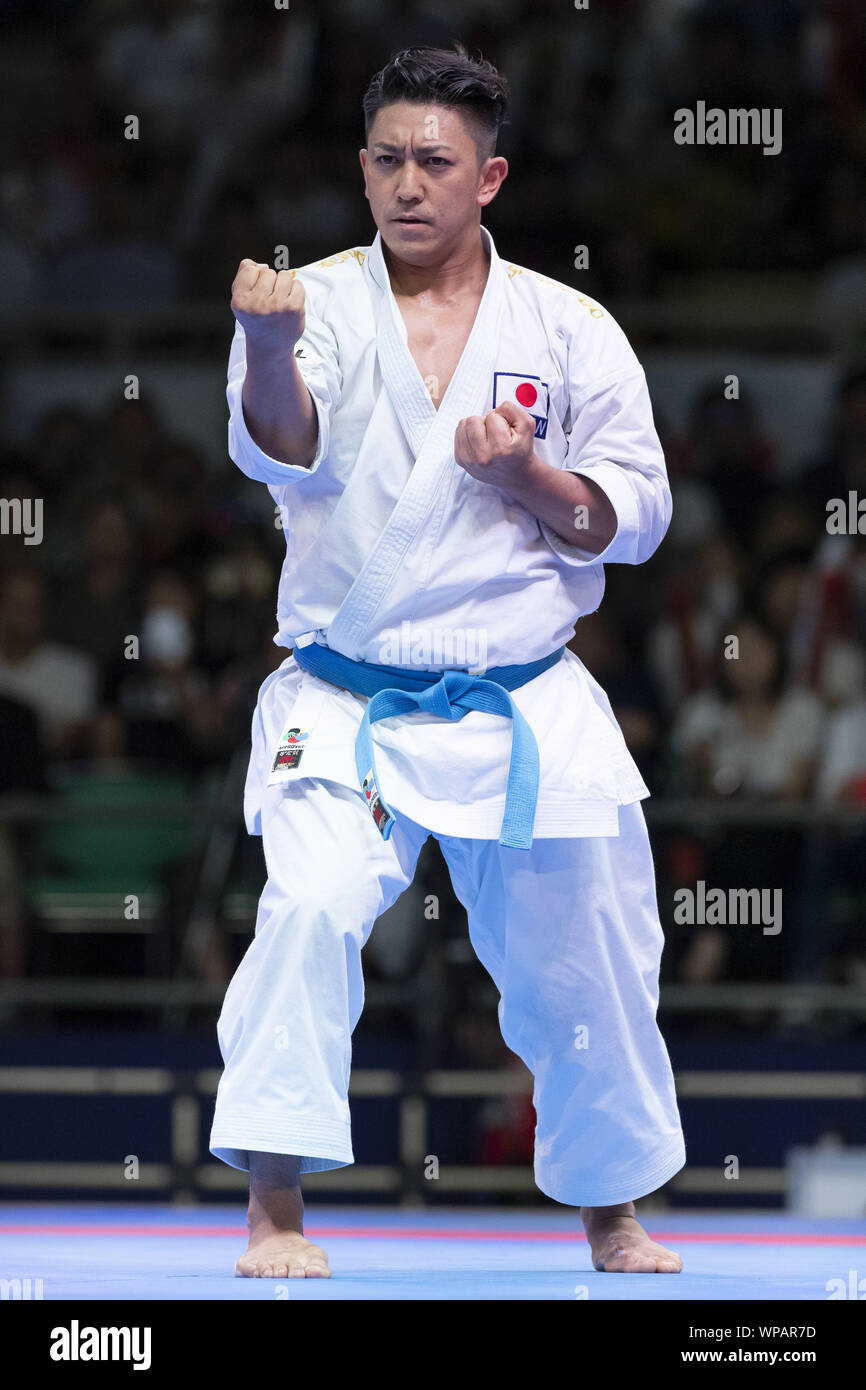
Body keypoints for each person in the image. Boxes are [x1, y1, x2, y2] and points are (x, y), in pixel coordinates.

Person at [209, 44, 685, 1279]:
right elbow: (279, 450)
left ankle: (611, 1210)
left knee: (590, 958)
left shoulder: (569, 326)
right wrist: (263, 346)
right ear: (359, 169)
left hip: (520, 695)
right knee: (305, 914)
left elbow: (631, 518)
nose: (406, 185)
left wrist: (525, 473)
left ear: (489, 177)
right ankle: (275, 1211)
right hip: (347, 693)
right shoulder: (300, 299)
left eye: (435, 161)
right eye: (385, 159)